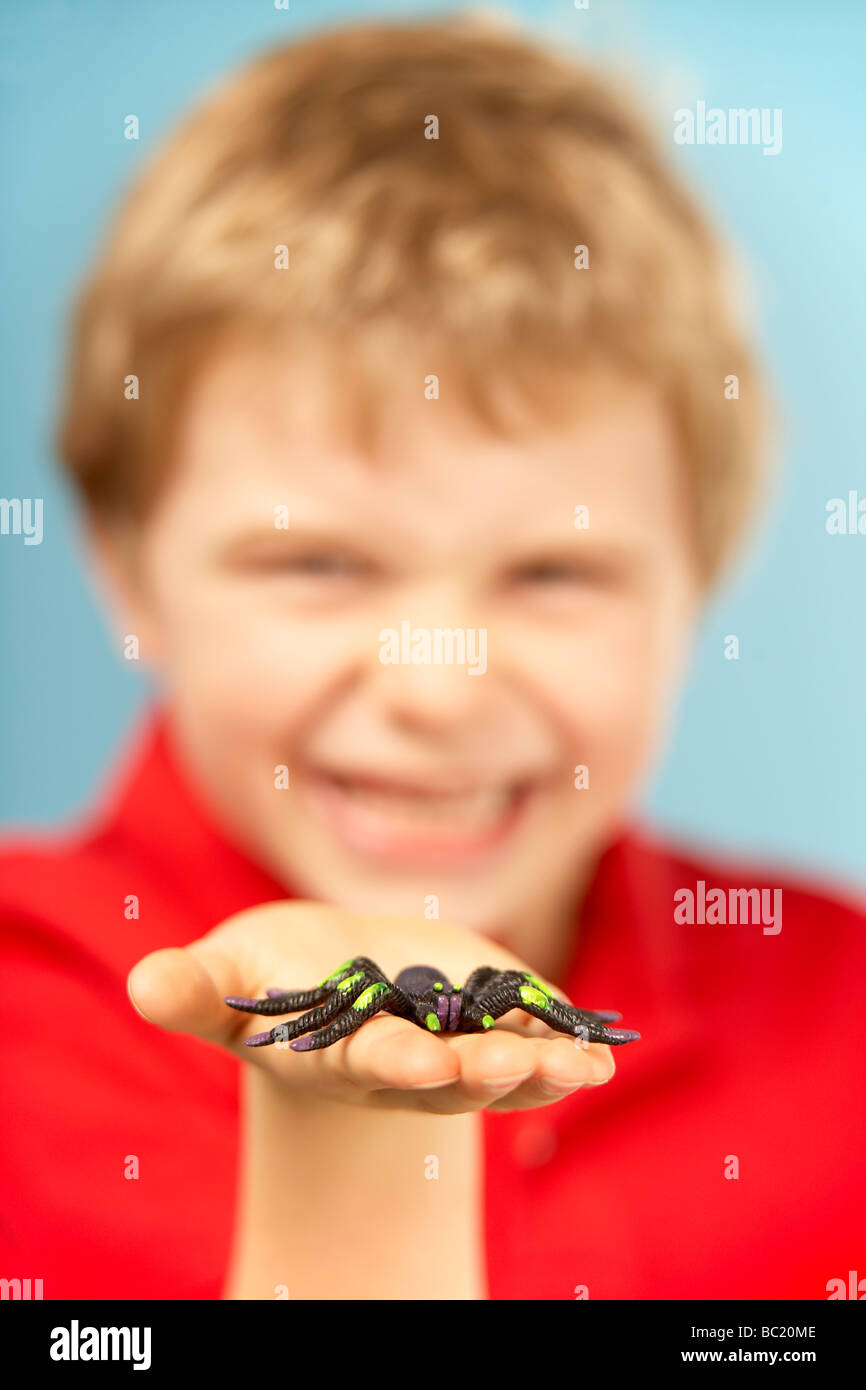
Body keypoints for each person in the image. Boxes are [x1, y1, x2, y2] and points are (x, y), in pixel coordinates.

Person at [2, 17, 863, 1301]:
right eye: (318, 566)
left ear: (699, 579)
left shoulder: (837, 1019)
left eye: (552, 573)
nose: (437, 688)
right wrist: (346, 1141)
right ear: (128, 573)